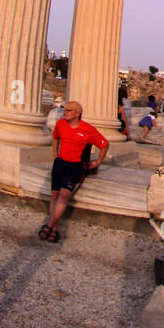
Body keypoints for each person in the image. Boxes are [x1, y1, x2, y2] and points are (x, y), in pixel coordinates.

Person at [39, 101, 108, 242]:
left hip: (76, 165)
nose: (65, 112)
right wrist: (55, 154)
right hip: (61, 162)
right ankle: (55, 229)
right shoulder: (61, 124)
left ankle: (49, 225)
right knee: (55, 195)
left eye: (69, 110)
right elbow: (55, 137)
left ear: (77, 114)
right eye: (65, 110)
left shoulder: (87, 129)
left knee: (64, 194)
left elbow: (104, 144)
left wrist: (98, 162)